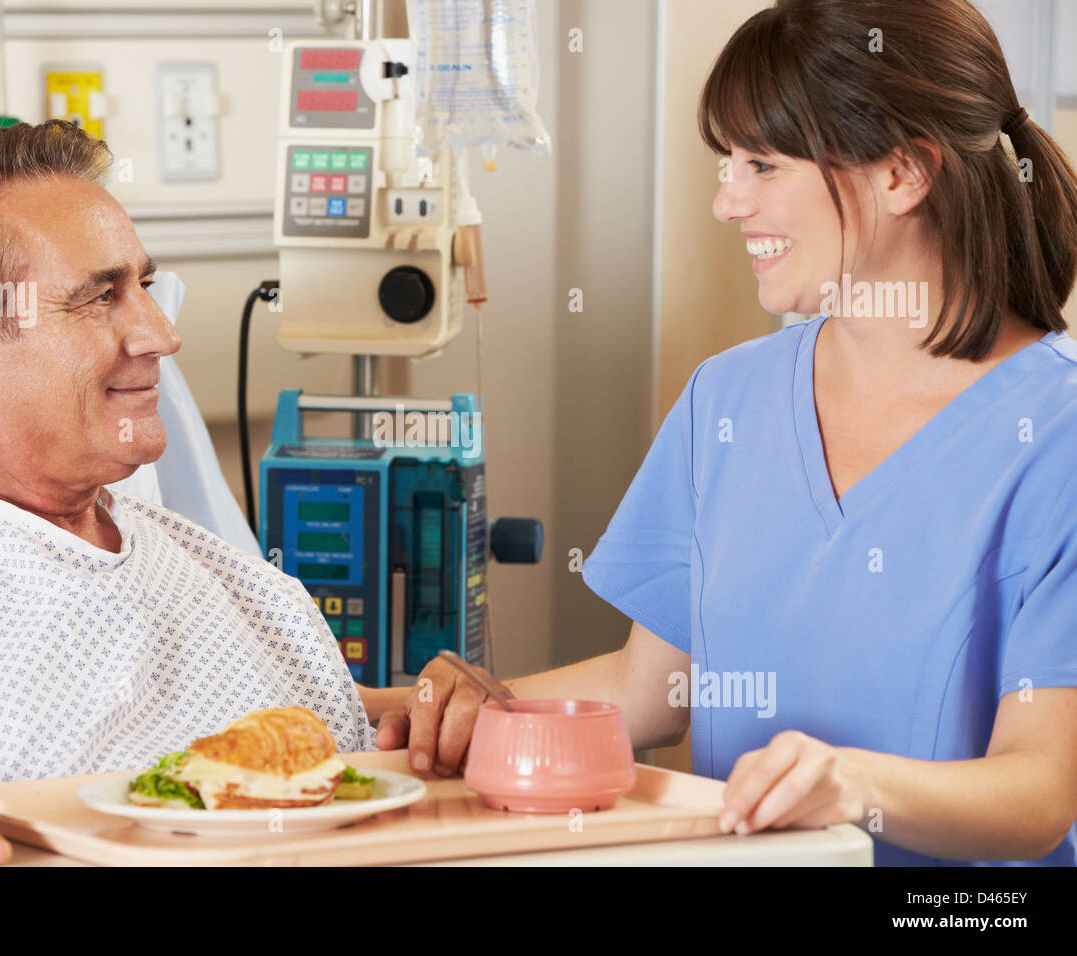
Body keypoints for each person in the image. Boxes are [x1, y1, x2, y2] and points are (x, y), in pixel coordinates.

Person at [378, 0, 1077, 866]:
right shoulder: (729, 400)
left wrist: (856, 787)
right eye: (726, 164)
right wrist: (463, 708)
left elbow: (1041, 789)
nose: (725, 202)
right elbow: (656, 690)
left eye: (761, 164)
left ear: (904, 173)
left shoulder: (1053, 440)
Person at [0, 121, 405, 866]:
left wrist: (441, 717)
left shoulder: (253, 594)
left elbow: (373, 778)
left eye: (143, 284)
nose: (161, 334)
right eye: (101, 296)